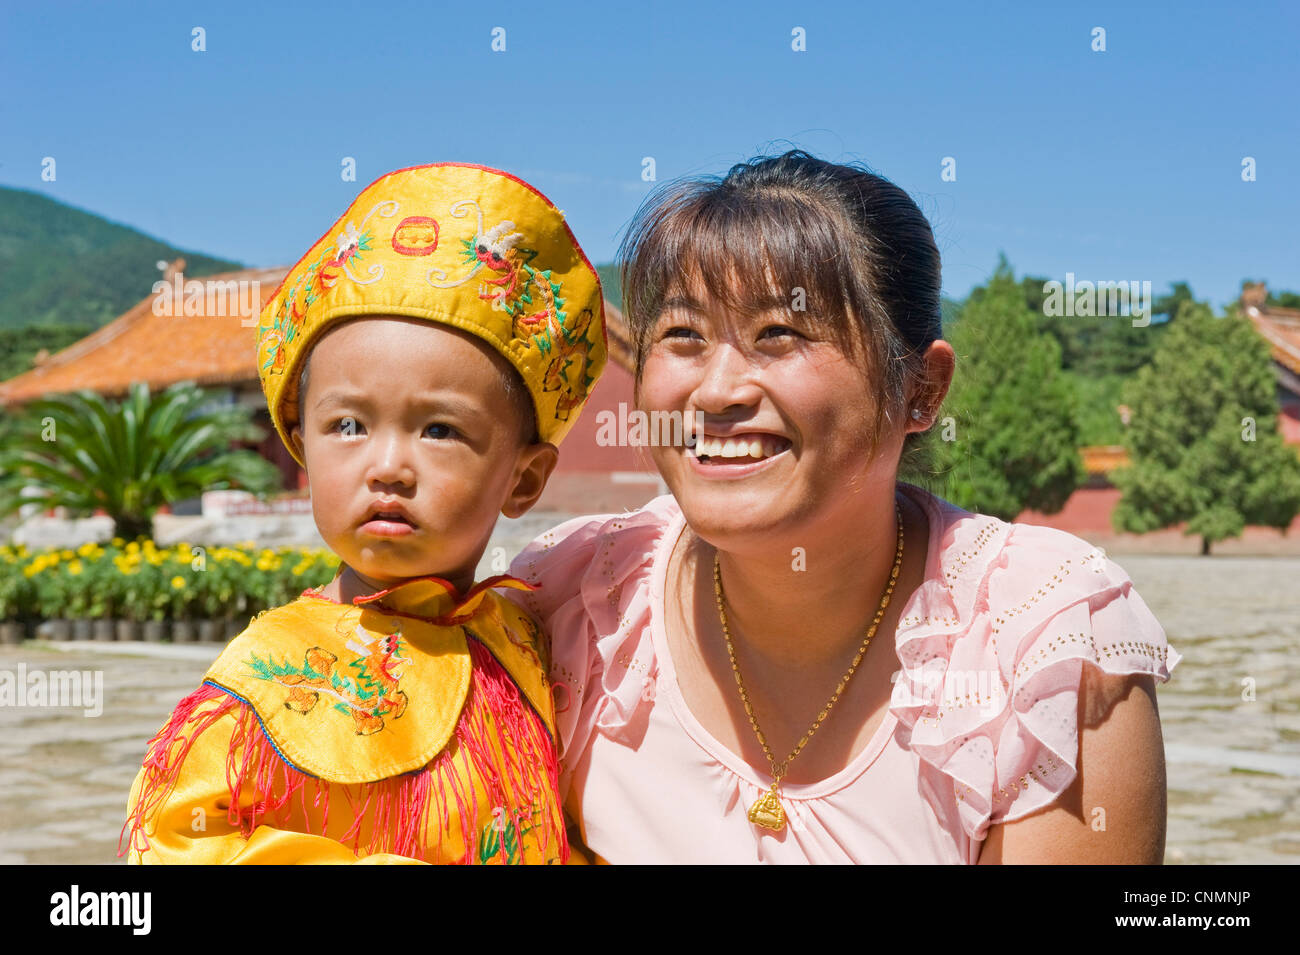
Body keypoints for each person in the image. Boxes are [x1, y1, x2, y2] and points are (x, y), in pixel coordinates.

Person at [509, 150, 1181, 864]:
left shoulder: (1040, 637)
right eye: (683, 336)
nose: (716, 392)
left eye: (779, 334)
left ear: (920, 389)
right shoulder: (578, 600)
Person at [120, 162, 607, 864]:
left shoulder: (528, 647)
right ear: (301, 450)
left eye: (438, 430)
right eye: (348, 426)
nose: (386, 465)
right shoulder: (265, 670)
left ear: (524, 479)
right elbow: (168, 843)